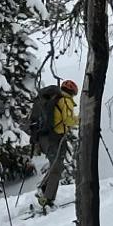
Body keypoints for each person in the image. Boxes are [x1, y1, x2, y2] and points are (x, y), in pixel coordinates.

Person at [28, 80, 80, 212]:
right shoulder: (65, 100)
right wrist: (80, 119)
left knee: (55, 165)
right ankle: (47, 198)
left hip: (44, 138)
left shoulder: (51, 99)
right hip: (55, 138)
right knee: (57, 167)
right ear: (73, 93)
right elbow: (68, 120)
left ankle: (44, 191)